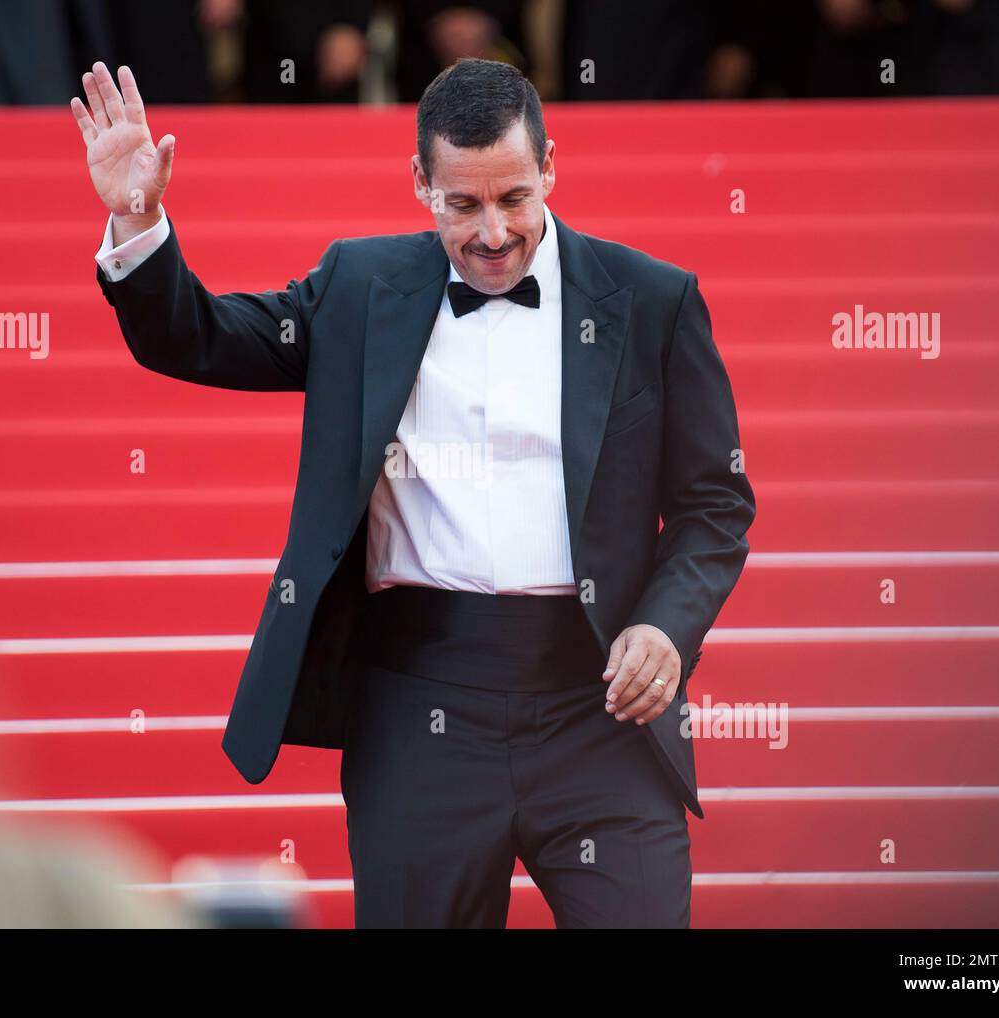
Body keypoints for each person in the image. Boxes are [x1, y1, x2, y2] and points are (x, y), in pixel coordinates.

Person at [71, 57, 755, 928]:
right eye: (462, 204)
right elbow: (199, 339)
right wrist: (139, 215)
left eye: (513, 197)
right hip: (422, 704)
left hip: (603, 707)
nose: (494, 233)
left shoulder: (652, 299)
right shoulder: (361, 288)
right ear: (420, 183)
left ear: (550, 168)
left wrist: (665, 623)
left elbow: (714, 502)